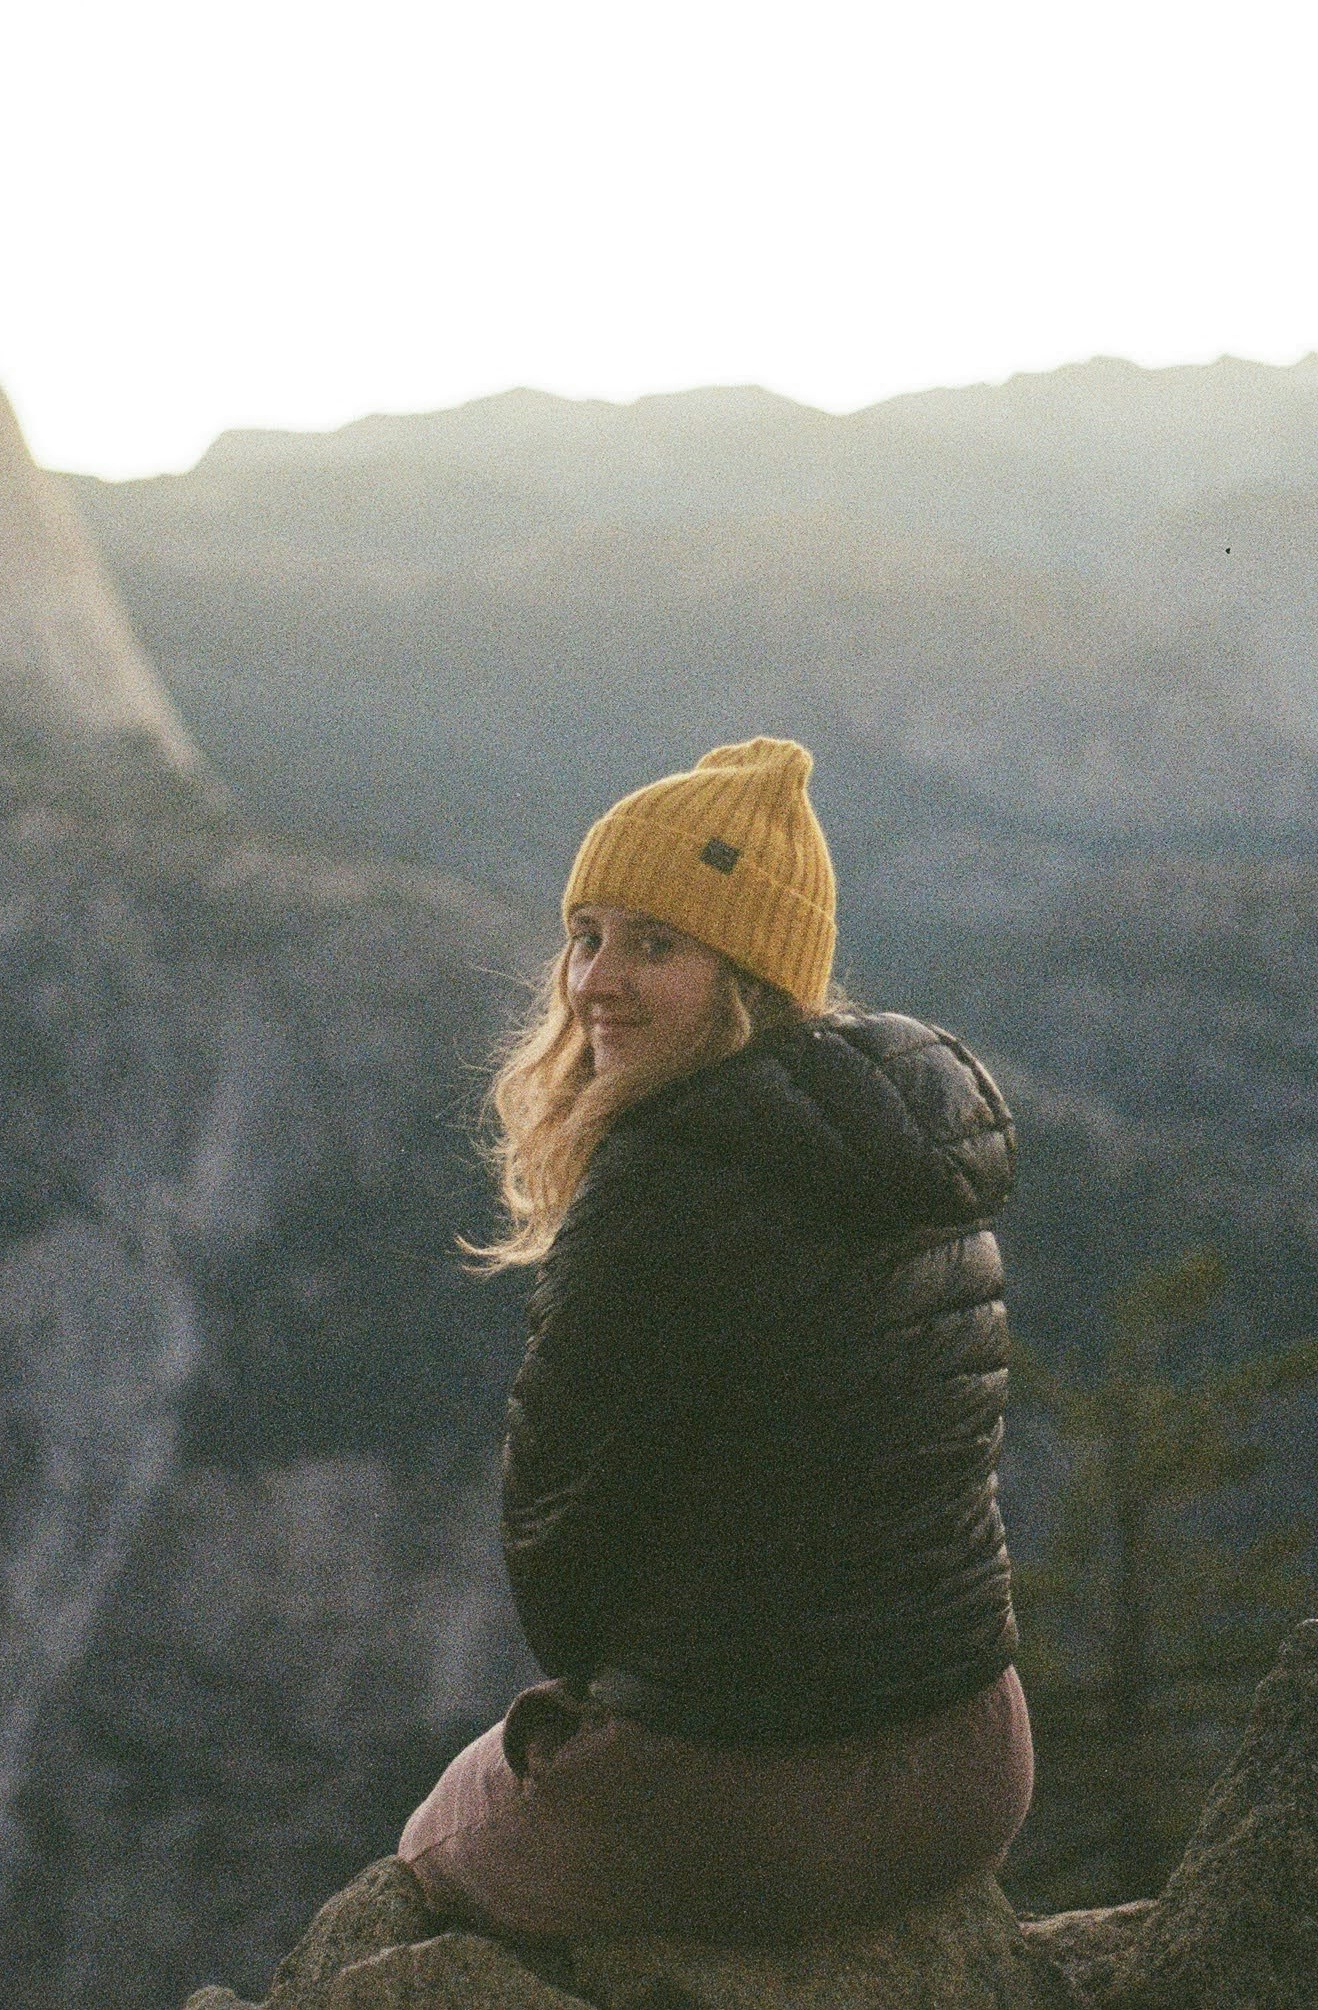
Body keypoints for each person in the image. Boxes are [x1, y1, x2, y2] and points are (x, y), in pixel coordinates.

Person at [397, 736, 1031, 1943]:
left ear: (752, 975)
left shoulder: (660, 1187)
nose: (595, 980)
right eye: (586, 932)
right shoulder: (914, 1155)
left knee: (433, 1841)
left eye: (656, 943)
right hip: (977, 1760)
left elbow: (559, 1556)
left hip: (770, 1810)